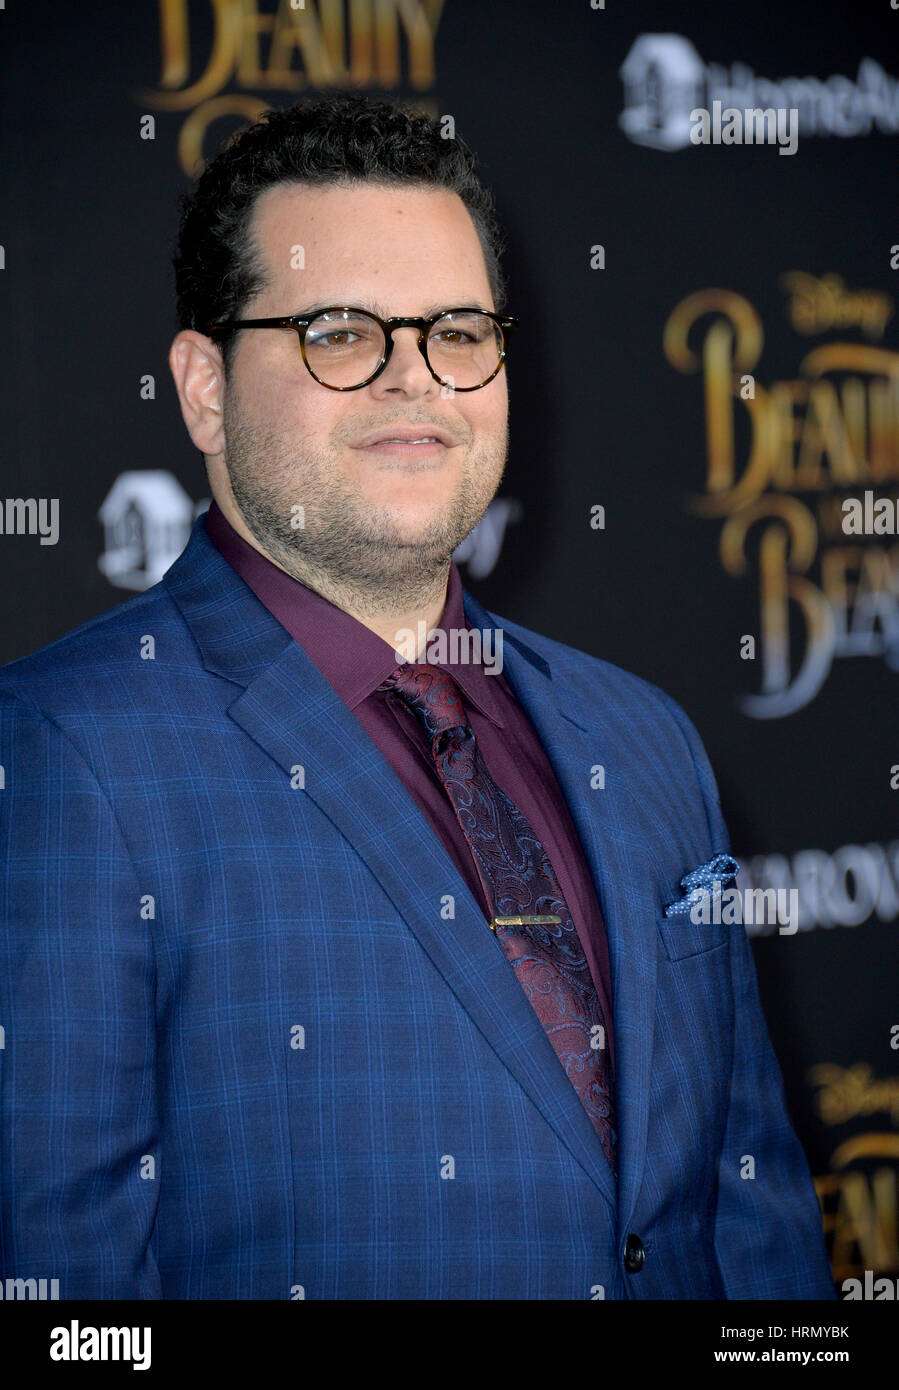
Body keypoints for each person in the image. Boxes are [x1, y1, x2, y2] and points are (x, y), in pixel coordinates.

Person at [0, 93, 835, 1300]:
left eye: (455, 328)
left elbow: (747, 1225)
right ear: (203, 389)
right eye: (340, 332)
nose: (415, 380)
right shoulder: (64, 753)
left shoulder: (643, 741)